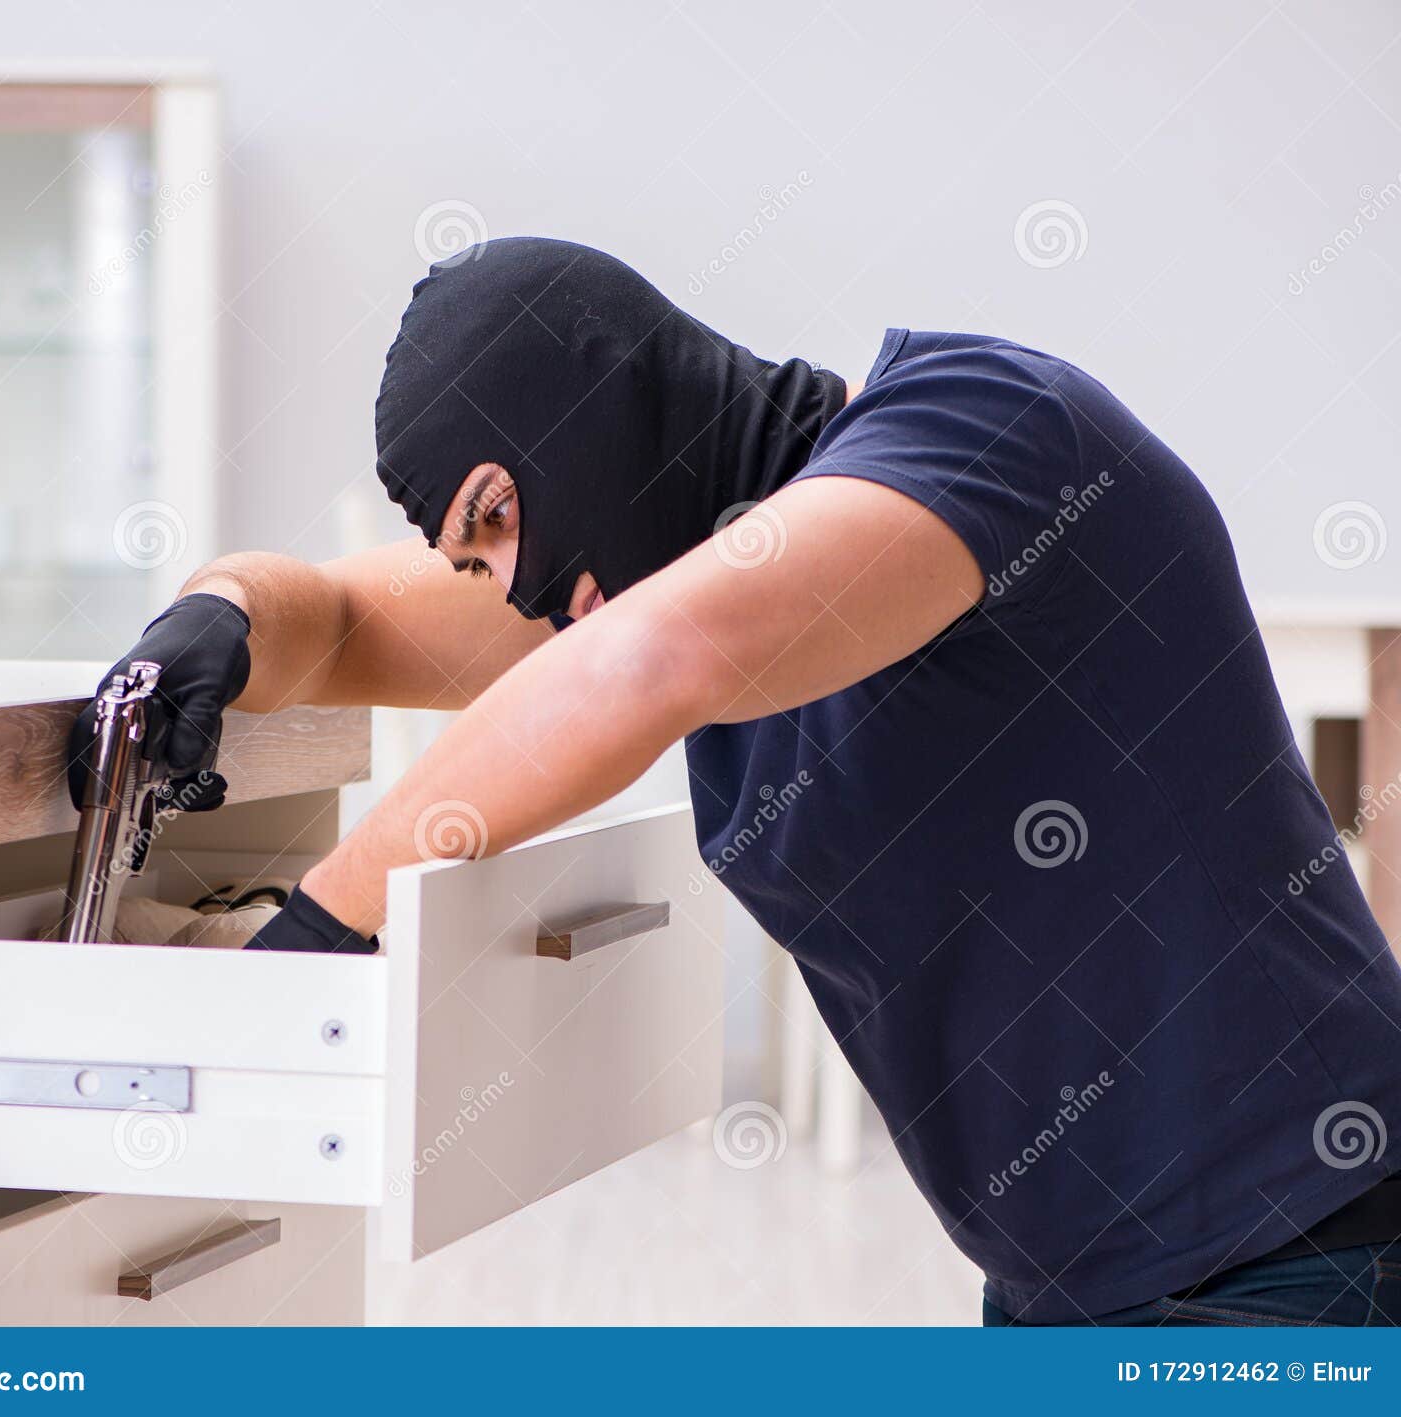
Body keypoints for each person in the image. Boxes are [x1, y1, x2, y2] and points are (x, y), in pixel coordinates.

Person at [73, 237, 1401, 1326]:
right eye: (471, 557)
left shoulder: (985, 425)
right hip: (1075, 1284)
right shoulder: (647, 579)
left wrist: (318, 930)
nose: (513, 583)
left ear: (596, 406)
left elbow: (657, 659)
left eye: (497, 516)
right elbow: (347, 616)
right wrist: (216, 615)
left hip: (1307, 1241)